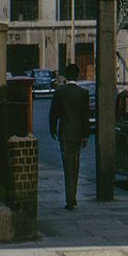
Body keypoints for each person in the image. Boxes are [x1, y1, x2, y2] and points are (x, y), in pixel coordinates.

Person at [49, 63, 91, 210]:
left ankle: (70, 199)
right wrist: (86, 135)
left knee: (67, 165)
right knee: (76, 164)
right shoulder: (83, 93)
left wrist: (53, 129)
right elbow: (86, 116)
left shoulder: (60, 92)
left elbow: (54, 113)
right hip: (78, 133)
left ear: (66, 76)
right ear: (78, 75)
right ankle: (73, 195)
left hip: (65, 133)